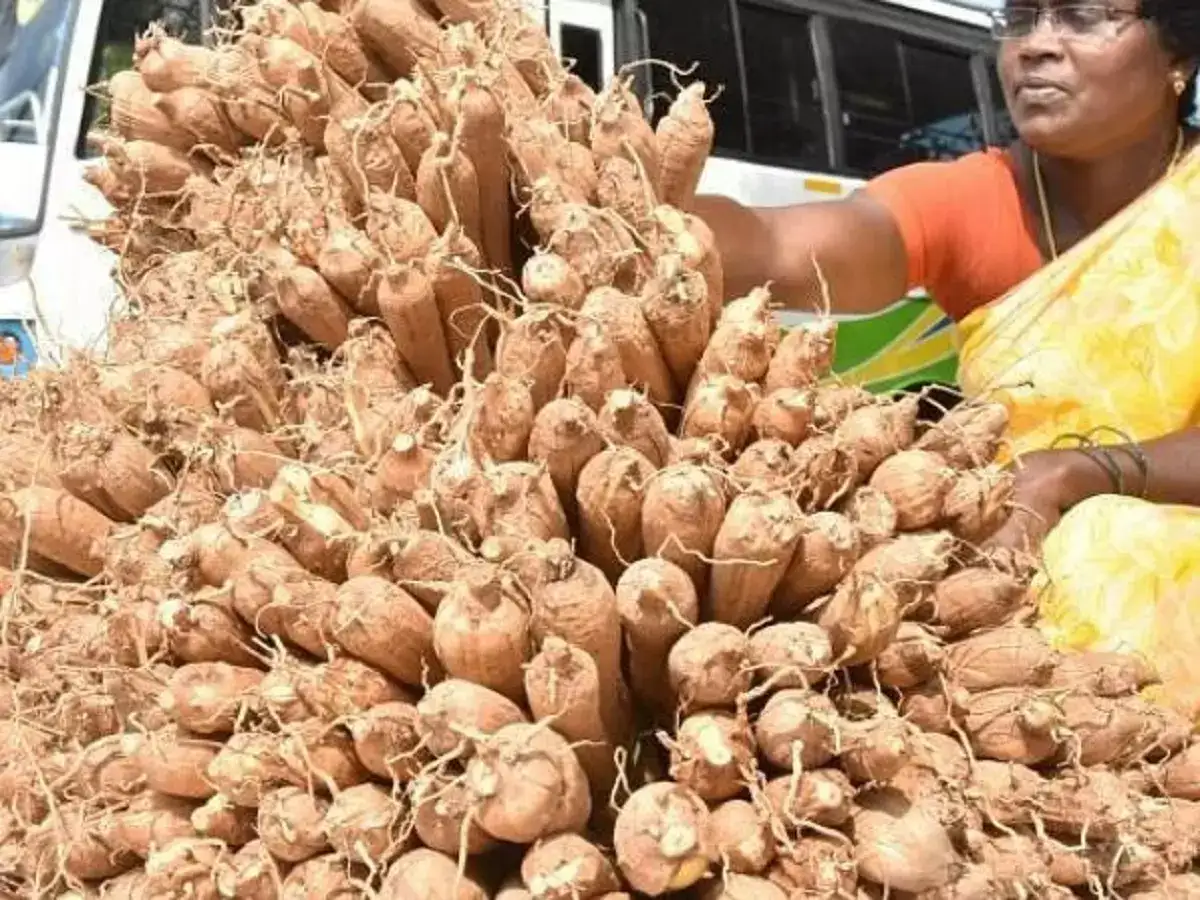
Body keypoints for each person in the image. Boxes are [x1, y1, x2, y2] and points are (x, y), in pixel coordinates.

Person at [693, 1, 1200, 717]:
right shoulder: (983, 199)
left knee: (1107, 539)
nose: (1035, 47)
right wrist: (647, 215)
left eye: (1082, 17)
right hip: (1016, 553)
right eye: (1021, 17)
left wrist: (1072, 472)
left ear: (1179, 58)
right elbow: (779, 247)